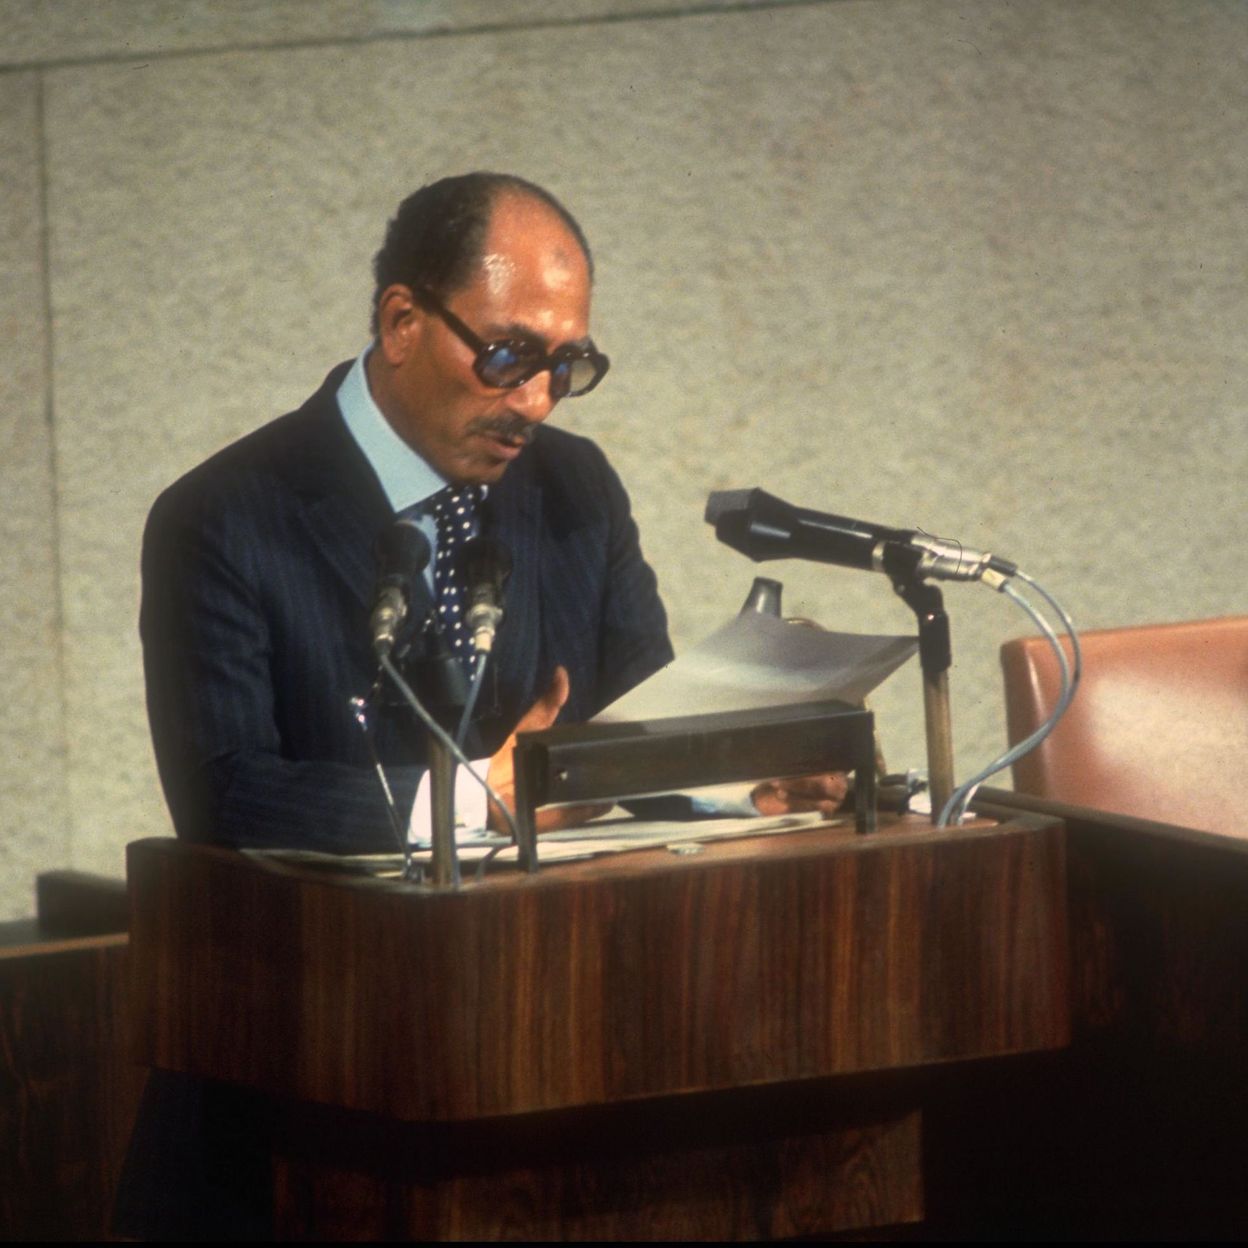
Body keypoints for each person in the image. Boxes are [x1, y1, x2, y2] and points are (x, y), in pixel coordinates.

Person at [140, 171, 844, 854]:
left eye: (567, 367)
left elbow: (637, 725)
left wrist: (745, 783)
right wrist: (472, 801)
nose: (537, 402)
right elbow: (223, 792)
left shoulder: (575, 488)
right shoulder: (224, 517)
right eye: (510, 356)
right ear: (402, 323)